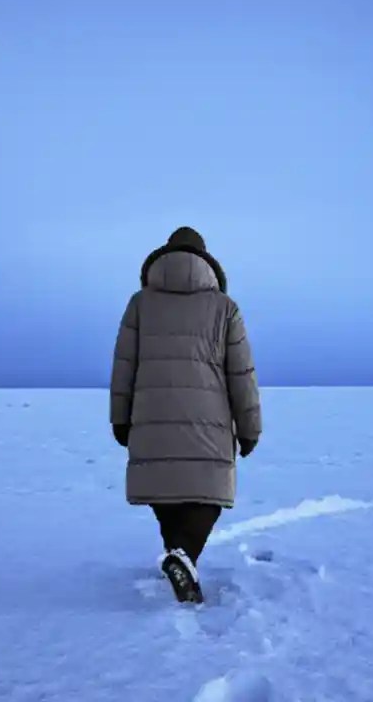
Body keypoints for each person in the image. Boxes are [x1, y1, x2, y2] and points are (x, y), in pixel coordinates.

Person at [109, 227, 262, 604]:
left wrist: (120, 418)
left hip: (151, 417)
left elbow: (123, 366)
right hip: (207, 420)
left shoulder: (139, 303)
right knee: (206, 495)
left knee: (166, 489)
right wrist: (249, 428)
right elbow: (241, 373)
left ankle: (179, 558)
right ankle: (184, 557)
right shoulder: (225, 308)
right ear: (206, 262)